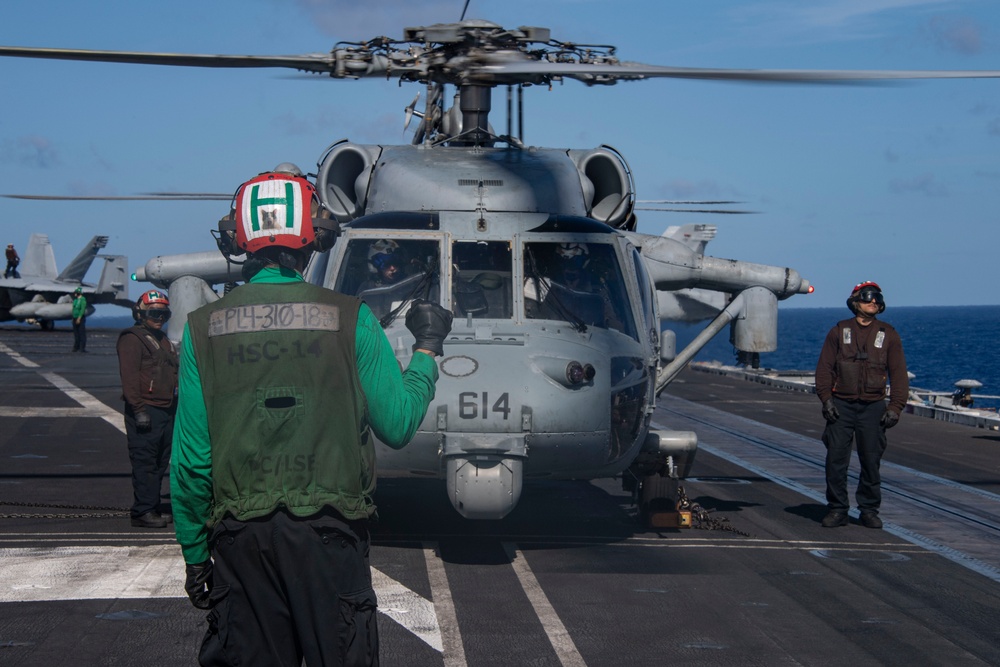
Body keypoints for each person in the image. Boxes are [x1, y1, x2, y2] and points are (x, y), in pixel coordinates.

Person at [171, 169, 453, 666]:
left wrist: (196, 555)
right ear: (314, 237)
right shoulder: (352, 317)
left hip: (241, 540)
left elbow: (192, 461)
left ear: (239, 237)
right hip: (330, 538)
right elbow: (399, 422)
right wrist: (427, 351)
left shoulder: (201, 329)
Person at [815, 280, 908, 530]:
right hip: (841, 407)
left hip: (873, 407)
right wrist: (826, 400)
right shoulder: (838, 331)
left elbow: (899, 374)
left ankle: (868, 510)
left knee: (871, 462)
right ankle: (837, 509)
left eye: (877, 298)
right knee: (836, 461)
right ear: (856, 301)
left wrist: (895, 407)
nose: (873, 302)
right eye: (868, 298)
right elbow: (824, 369)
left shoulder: (888, 334)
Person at [116, 290, 178, 528]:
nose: (159, 317)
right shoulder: (132, 339)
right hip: (146, 411)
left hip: (166, 410)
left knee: (160, 462)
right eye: (154, 313)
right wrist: (139, 409)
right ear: (140, 313)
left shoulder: (162, 340)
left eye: (164, 313)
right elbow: (129, 378)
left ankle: (151, 507)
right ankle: (142, 512)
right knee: (145, 462)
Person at [71, 287, 88, 352]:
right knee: (76, 333)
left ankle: (82, 348)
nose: (74, 294)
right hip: (74, 318)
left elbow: (82, 309)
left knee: (81, 333)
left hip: (80, 318)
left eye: (75, 292)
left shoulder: (83, 300)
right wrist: (73, 318)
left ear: (78, 293)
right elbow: (73, 309)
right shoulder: (75, 300)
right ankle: (76, 347)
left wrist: (79, 318)